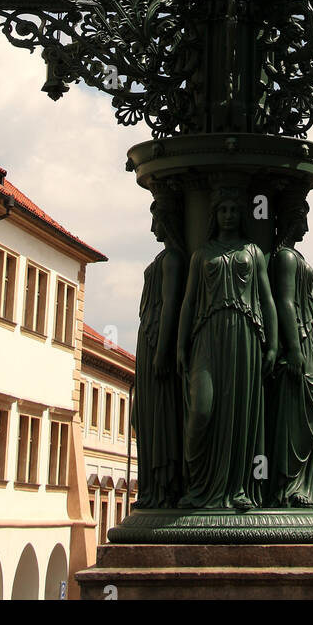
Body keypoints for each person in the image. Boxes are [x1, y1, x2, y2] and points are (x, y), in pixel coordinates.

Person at [177, 185, 277, 509]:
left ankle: (239, 489)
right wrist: (180, 345)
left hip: (245, 338)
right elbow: (189, 301)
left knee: (241, 415)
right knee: (201, 411)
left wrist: (273, 345)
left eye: (235, 210)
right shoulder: (202, 255)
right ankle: (199, 488)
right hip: (207, 336)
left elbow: (268, 300)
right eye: (223, 210)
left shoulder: (253, 253)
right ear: (215, 215)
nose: (229, 216)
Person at [268, 199, 313, 507]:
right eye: (302, 218)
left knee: (310, 412)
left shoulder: (293, 255)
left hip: (307, 339)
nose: (306, 225)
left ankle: (299, 487)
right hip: (298, 343)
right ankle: (288, 487)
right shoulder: (287, 257)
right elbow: (286, 303)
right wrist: (292, 348)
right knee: (307, 412)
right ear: (292, 220)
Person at [131, 194, 185, 508]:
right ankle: (152, 488)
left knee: (160, 414)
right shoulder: (162, 261)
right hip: (147, 339)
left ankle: (164, 487)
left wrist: (164, 350)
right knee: (145, 416)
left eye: (158, 218)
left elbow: (171, 308)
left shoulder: (174, 260)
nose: (154, 225)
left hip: (157, 344)